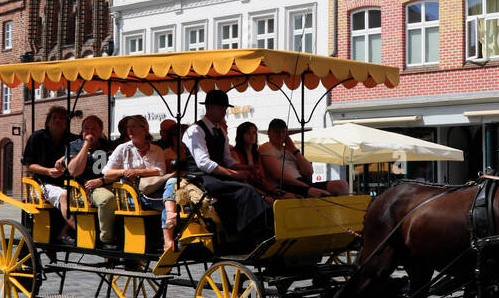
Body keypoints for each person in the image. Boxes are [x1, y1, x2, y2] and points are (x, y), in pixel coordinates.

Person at [182, 90, 270, 238]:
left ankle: (257, 228)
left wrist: (244, 167)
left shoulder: (221, 131)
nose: (224, 111)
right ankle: (244, 234)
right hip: (201, 177)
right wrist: (234, 174)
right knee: (245, 190)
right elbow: (204, 163)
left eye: (225, 108)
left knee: (253, 189)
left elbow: (227, 159)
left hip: (217, 176)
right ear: (209, 108)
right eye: (221, 108)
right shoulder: (195, 130)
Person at [88, 115, 165, 246]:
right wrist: (124, 172)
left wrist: (138, 172)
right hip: (130, 195)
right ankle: (164, 240)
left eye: (133, 126)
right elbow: (106, 172)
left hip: (152, 191)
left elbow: (161, 171)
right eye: (127, 127)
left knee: (170, 203)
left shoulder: (156, 150)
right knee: (166, 204)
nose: (129, 130)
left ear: (144, 128)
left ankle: (165, 238)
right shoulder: (123, 148)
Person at [21, 105, 76, 236]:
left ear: (66, 123)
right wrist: (48, 171)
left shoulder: (72, 139)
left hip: (68, 183)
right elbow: (29, 165)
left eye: (61, 118)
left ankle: (66, 230)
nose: (58, 120)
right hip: (42, 183)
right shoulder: (37, 137)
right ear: (48, 121)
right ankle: (76, 230)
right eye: (55, 117)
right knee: (65, 195)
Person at [259, 119, 347, 197]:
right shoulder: (266, 147)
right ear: (269, 133)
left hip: (301, 183)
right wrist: (303, 185)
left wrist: (294, 150)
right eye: (277, 132)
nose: (280, 135)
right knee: (323, 194)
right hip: (285, 185)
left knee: (341, 185)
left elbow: (309, 171)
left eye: (283, 132)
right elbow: (278, 176)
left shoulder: (290, 150)